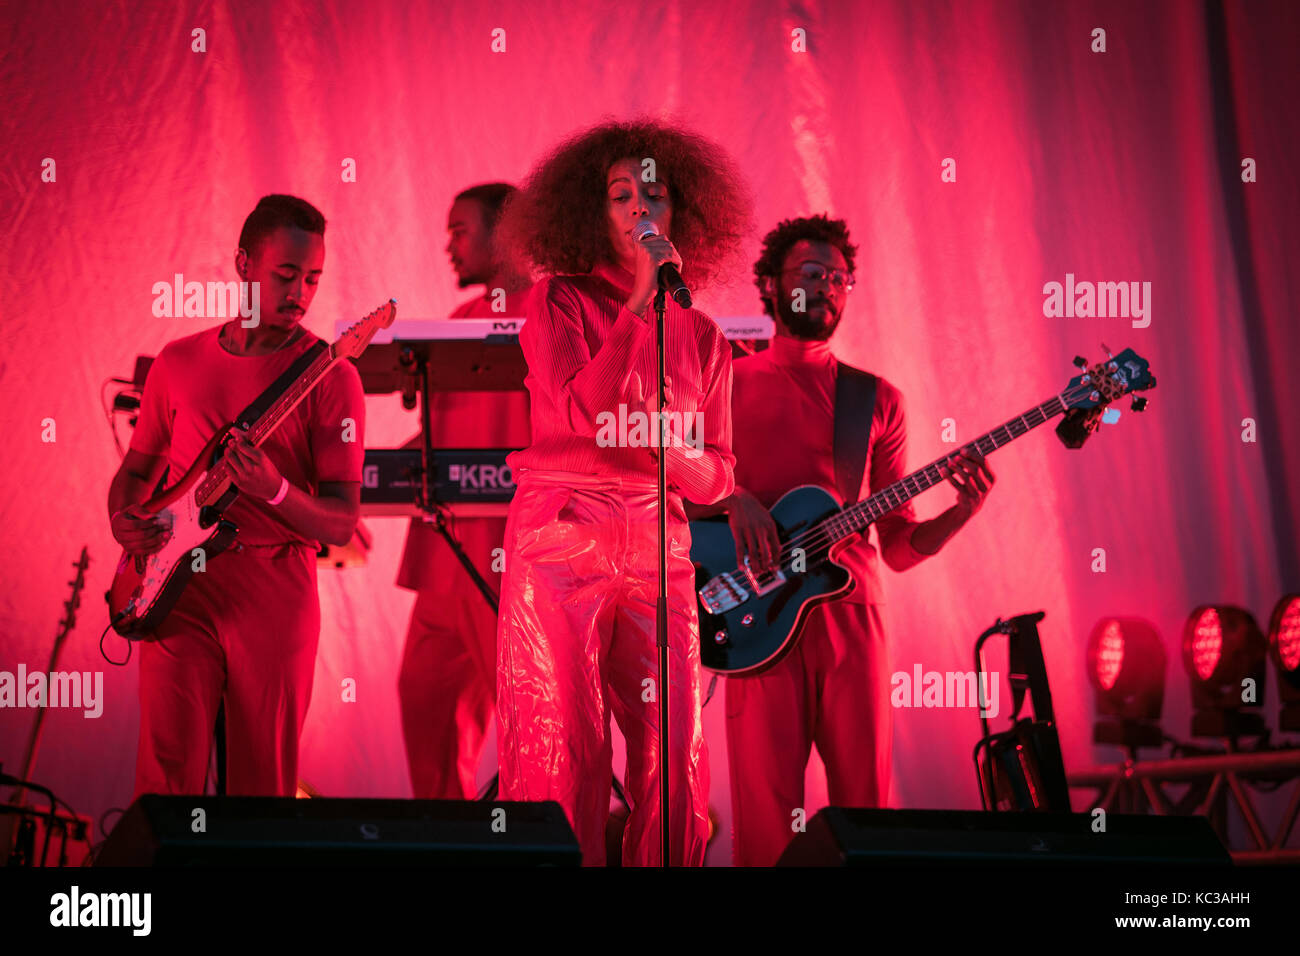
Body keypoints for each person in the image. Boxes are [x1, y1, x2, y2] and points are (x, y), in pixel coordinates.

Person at [694, 214, 995, 866]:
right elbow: (680, 489)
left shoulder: (876, 399)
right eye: (811, 274)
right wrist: (734, 496)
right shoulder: (726, 382)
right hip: (755, 620)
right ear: (770, 286)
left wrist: (961, 513)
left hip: (853, 622)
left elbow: (897, 546)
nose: (827, 288)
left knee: (866, 814)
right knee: (765, 813)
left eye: (838, 279)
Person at [493, 119, 751, 865]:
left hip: (658, 543)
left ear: (682, 215)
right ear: (590, 213)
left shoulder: (705, 336)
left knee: (676, 758)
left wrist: (670, 445)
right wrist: (639, 304)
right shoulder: (557, 302)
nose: (640, 207)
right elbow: (585, 412)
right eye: (620, 195)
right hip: (561, 531)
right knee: (561, 750)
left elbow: (720, 476)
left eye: (656, 194)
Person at [108, 194, 365, 797]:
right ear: (244, 264)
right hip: (179, 587)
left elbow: (341, 523)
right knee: (165, 778)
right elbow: (137, 472)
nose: (300, 291)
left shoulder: (333, 376)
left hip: (275, 588)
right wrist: (123, 518)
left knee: (263, 786)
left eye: (313, 278)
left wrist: (273, 490)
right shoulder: (178, 361)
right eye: (285, 274)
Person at [395, 183, 531, 800]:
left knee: (528, 722)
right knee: (425, 703)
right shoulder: (456, 324)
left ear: (504, 233)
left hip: (509, 558)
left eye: (460, 230)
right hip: (444, 552)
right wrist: (356, 482)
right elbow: (438, 432)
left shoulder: (555, 309)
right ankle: (448, 847)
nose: (448, 245)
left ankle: (541, 841)